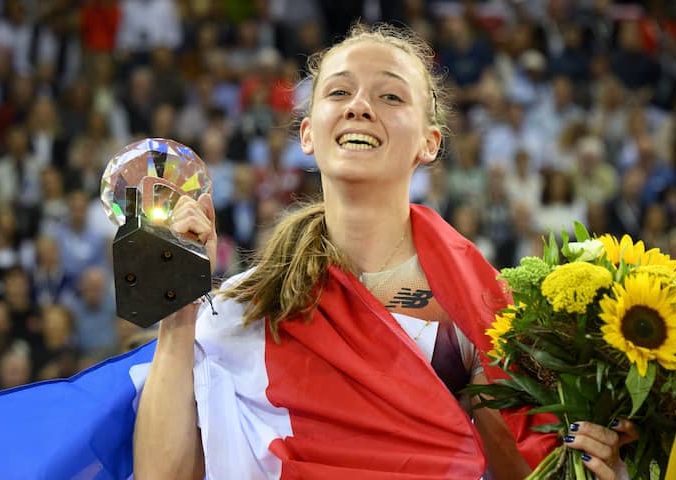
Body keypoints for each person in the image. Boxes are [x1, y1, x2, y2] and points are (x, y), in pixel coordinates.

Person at [134, 23, 636, 480]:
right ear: (308, 132)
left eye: (390, 95)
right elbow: (163, 476)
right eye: (338, 91)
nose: (359, 106)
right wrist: (178, 313)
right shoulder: (244, 306)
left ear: (429, 142)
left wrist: (592, 462)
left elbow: (522, 469)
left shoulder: (480, 307)